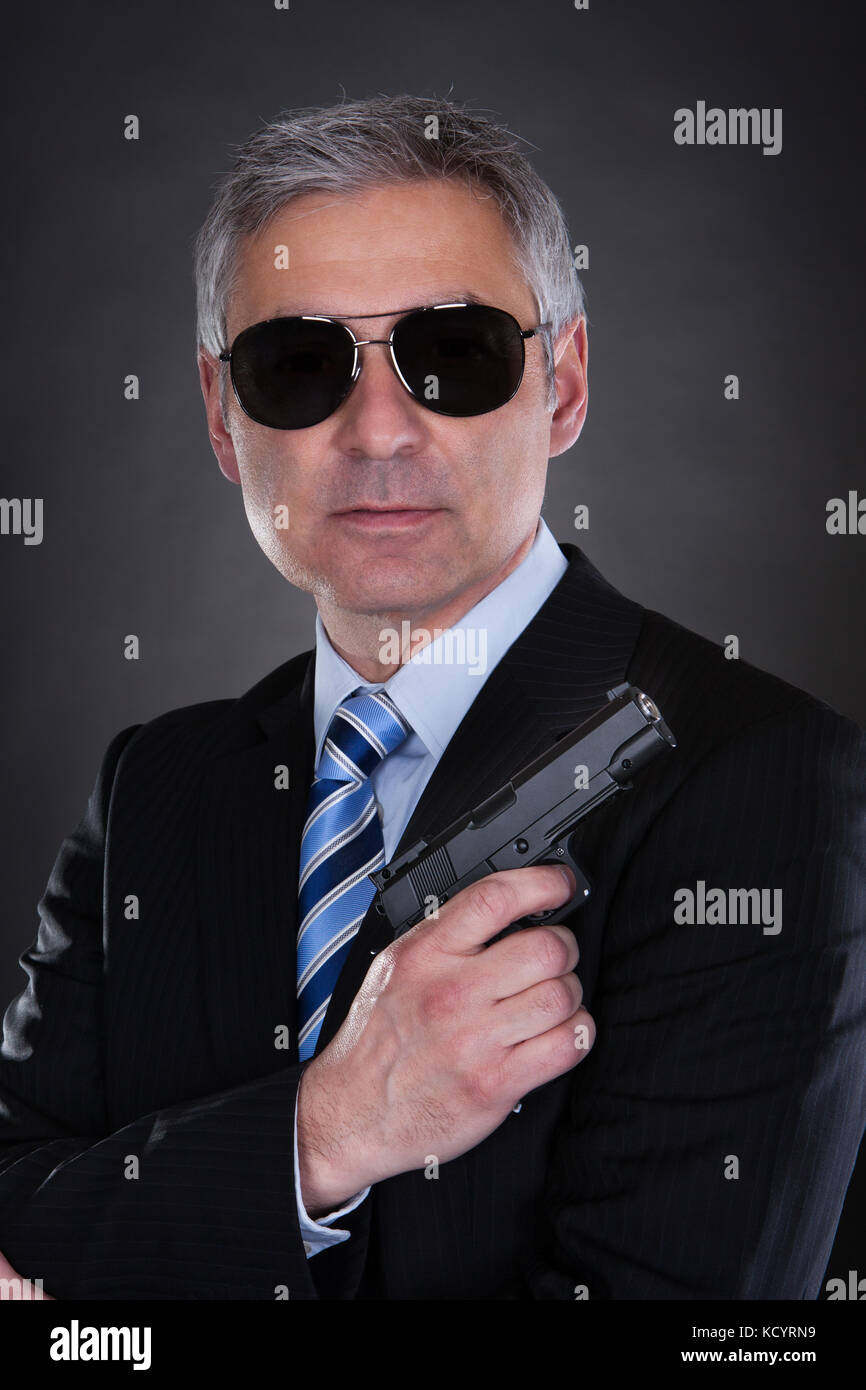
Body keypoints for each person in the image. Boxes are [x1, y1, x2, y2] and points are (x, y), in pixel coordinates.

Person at [1, 94, 864, 1302]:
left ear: (560, 385)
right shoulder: (153, 786)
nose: (377, 430)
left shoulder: (766, 780)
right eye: (297, 365)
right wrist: (321, 1135)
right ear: (216, 412)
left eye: (452, 354)